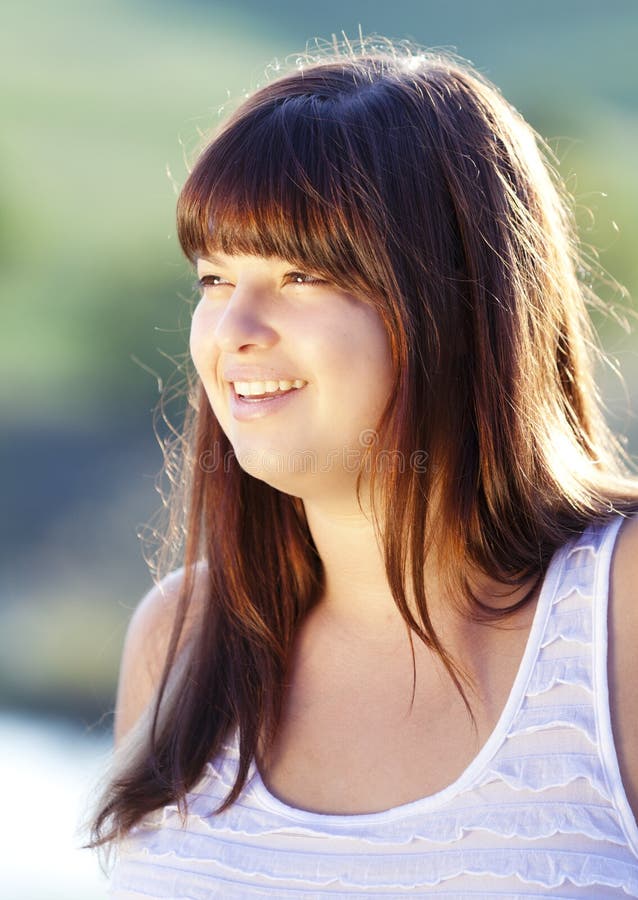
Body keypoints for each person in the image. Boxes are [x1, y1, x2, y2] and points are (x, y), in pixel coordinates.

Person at [88, 40, 638, 897]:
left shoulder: (620, 606)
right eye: (214, 277)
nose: (234, 329)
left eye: (301, 274)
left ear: (457, 304)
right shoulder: (180, 638)